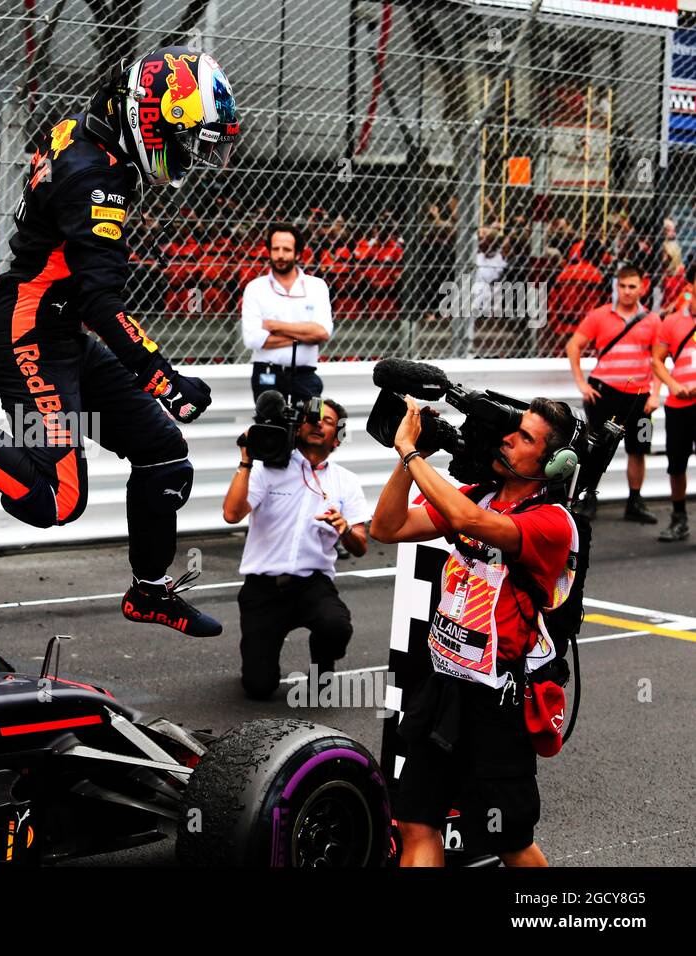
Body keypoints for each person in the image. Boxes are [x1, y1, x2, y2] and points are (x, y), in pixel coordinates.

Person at [0, 47, 239, 636]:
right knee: (55, 500)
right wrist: (164, 378)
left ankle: (150, 591)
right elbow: (101, 300)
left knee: (164, 454)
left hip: (59, 330)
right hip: (28, 336)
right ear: (150, 117)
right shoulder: (99, 178)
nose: (190, 154)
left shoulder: (94, 133)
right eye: (186, 137)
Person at [370, 395, 581, 867]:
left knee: (509, 842)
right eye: (513, 428)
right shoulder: (478, 495)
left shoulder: (551, 522)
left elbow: (470, 524)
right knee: (416, 821)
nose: (507, 438)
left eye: (525, 436)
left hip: (499, 701)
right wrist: (409, 459)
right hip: (444, 686)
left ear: (552, 464)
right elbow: (388, 527)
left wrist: (411, 452)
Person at [222, 399, 368, 699]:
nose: (317, 423)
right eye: (312, 418)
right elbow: (232, 514)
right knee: (258, 687)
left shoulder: (347, 481)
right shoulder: (267, 470)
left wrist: (344, 528)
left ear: (337, 436)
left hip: (313, 585)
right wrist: (247, 460)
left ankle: (323, 664)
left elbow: (361, 546)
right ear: (297, 427)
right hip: (262, 589)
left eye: (327, 421)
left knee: (335, 626)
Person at [566, 265, 661, 521]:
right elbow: (573, 344)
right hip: (603, 392)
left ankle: (635, 501)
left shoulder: (652, 320)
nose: (627, 292)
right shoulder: (599, 315)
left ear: (643, 287)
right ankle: (589, 498)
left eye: (632, 286)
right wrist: (581, 383)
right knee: (596, 447)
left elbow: (658, 360)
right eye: (623, 286)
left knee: (640, 448)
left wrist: (655, 394)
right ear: (616, 287)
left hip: (640, 396)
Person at [240, 223, 332, 403]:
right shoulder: (255, 288)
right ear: (269, 251)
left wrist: (274, 327)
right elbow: (252, 339)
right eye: (275, 249)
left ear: (298, 253)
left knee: (314, 426)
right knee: (268, 429)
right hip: (266, 374)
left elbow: (322, 333)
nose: (280, 255)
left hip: (307, 376)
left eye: (287, 249)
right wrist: (305, 336)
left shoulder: (317, 286)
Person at [651, 275, 696, 541]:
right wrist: (673, 384)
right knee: (676, 465)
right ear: (690, 287)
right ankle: (679, 519)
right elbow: (657, 360)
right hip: (679, 405)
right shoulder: (672, 321)